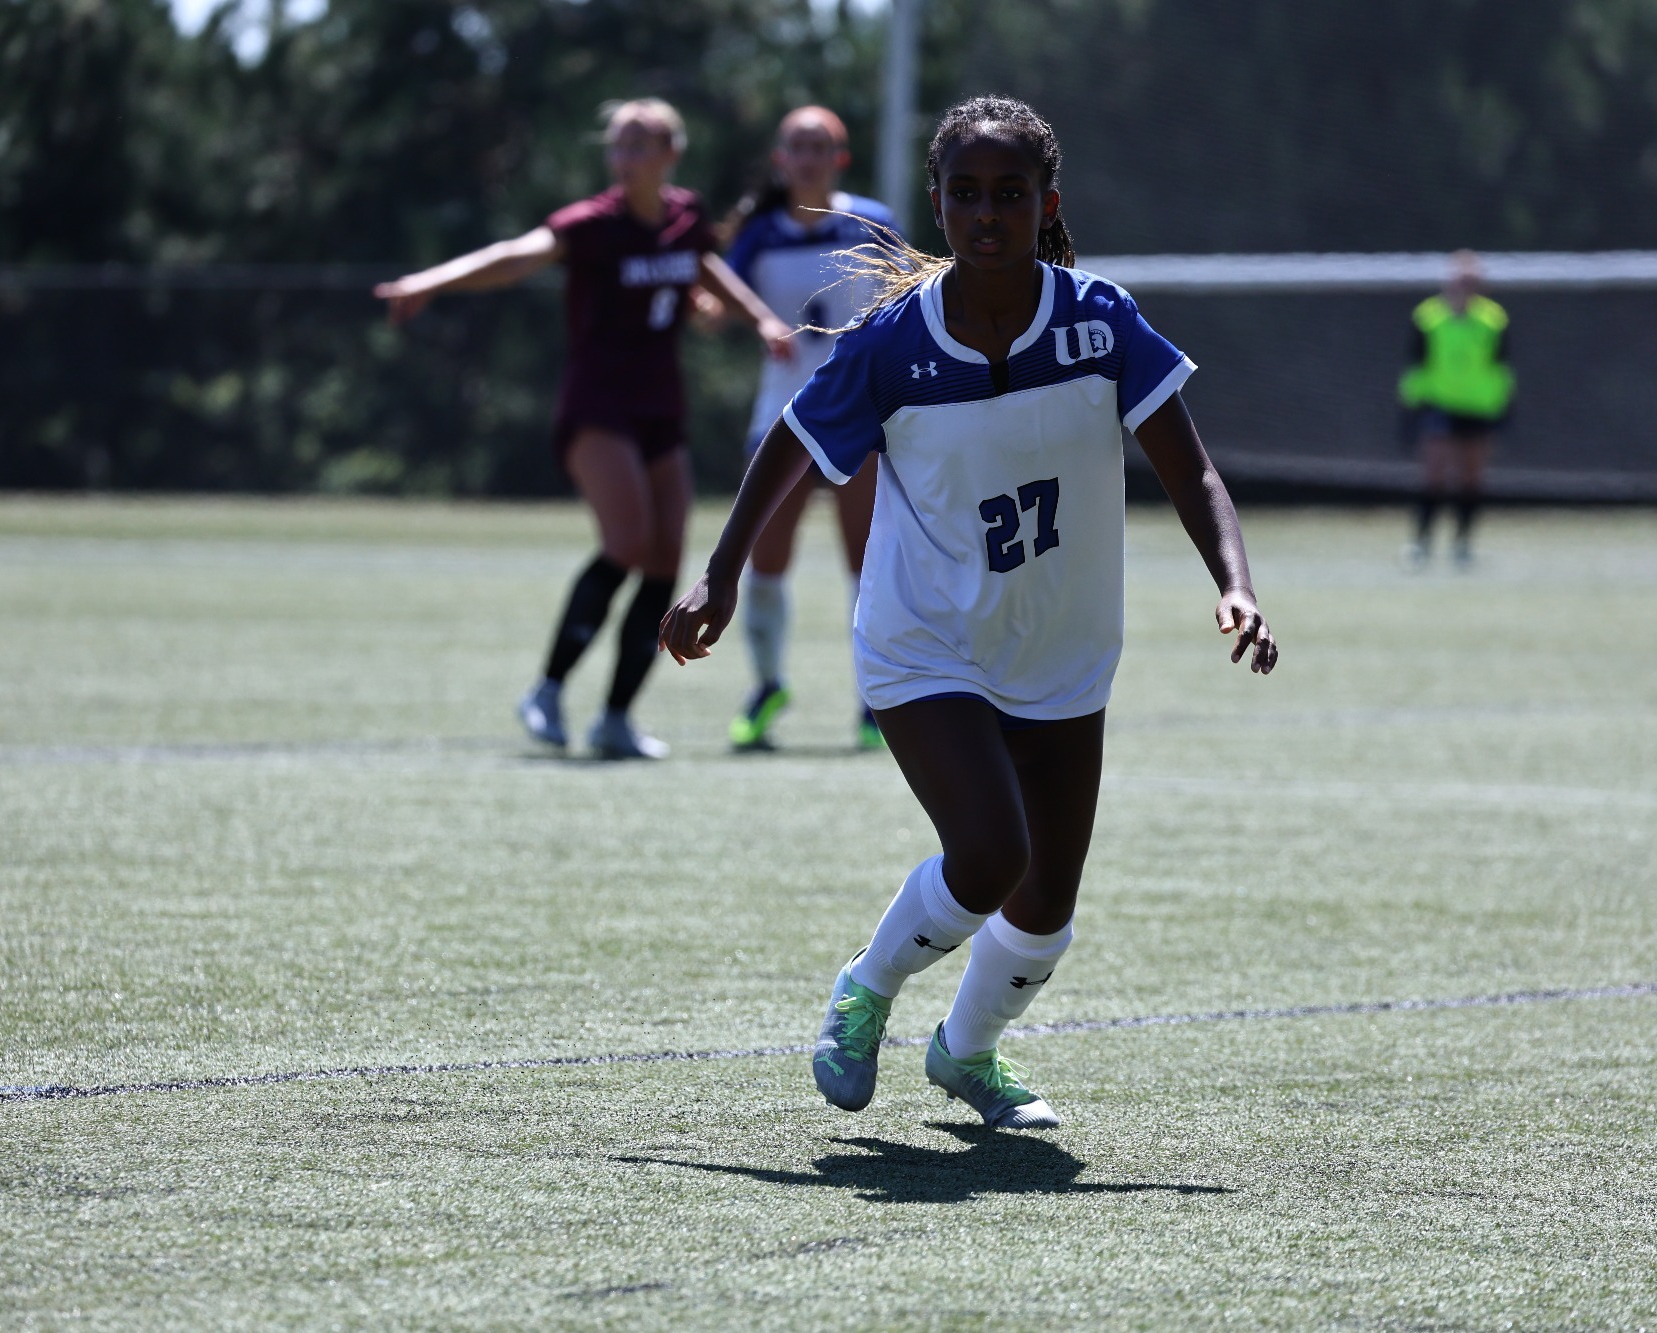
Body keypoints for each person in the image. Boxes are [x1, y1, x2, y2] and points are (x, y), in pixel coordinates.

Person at [660, 96, 1278, 1129]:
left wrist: (1234, 582)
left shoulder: (1098, 321)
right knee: (991, 853)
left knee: (1046, 903)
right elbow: (788, 443)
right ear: (938, 206)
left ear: (1046, 204)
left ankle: (967, 1053)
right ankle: (865, 988)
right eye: (964, 195)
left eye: (1008, 194)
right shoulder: (891, 345)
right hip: (923, 637)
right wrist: (718, 573)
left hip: (1062, 644)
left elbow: (1193, 471)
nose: (986, 214)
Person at [376, 99, 792, 759]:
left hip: (661, 409)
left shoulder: (684, 217)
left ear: (669, 155)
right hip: (597, 406)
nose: (625, 157)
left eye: (640, 145)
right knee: (626, 542)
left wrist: (761, 320)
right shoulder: (593, 224)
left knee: (666, 564)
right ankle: (545, 689)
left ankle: (616, 719)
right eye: (618, 146)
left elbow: (707, 270)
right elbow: (517, 255)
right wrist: (430, 282)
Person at [717, 106, 896, 752]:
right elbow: (716, 304)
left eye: (820, 145)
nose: (809, 156)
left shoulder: (870, 221)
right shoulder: (759, 234)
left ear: (840, 157)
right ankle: (768, 685)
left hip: (862, 419)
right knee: (764, 563)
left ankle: (876, 702)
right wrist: (704, 297)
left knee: (870, 565)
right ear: (780, 160)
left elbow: (908, 298)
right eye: (797, 145)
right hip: (782, 418)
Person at [1399, 250, 1514, 569]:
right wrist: (1410, 408)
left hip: (1479, 407)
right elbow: (1416, 366)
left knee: (1471, 478)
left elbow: (1502, 368)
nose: (1465, 286)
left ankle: (1462, 543)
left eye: (1471, 280)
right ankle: (1421, 542)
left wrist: (1503, 407)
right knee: (1434, 473)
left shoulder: (1493, 320)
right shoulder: (1428, 317)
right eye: (1460, 279)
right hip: (1439, 405)